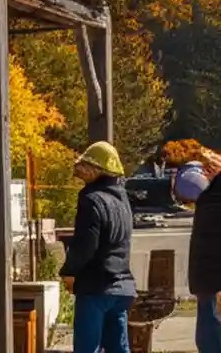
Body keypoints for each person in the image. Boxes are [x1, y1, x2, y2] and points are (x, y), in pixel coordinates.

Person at [60, 141, 136, 353]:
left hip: (95, 286)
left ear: (97, 169)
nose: (80, 171)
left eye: (85, 166)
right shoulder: (122, 199)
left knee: (87, 347)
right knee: (118, 348)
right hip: (122, 286)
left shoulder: (91, 199)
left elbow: (86, 243)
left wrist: (70, 272)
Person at [172, 147, 221, 353]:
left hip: (212, 281)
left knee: (210, 339)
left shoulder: (213, 198)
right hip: (208, 280)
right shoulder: (211, 196)